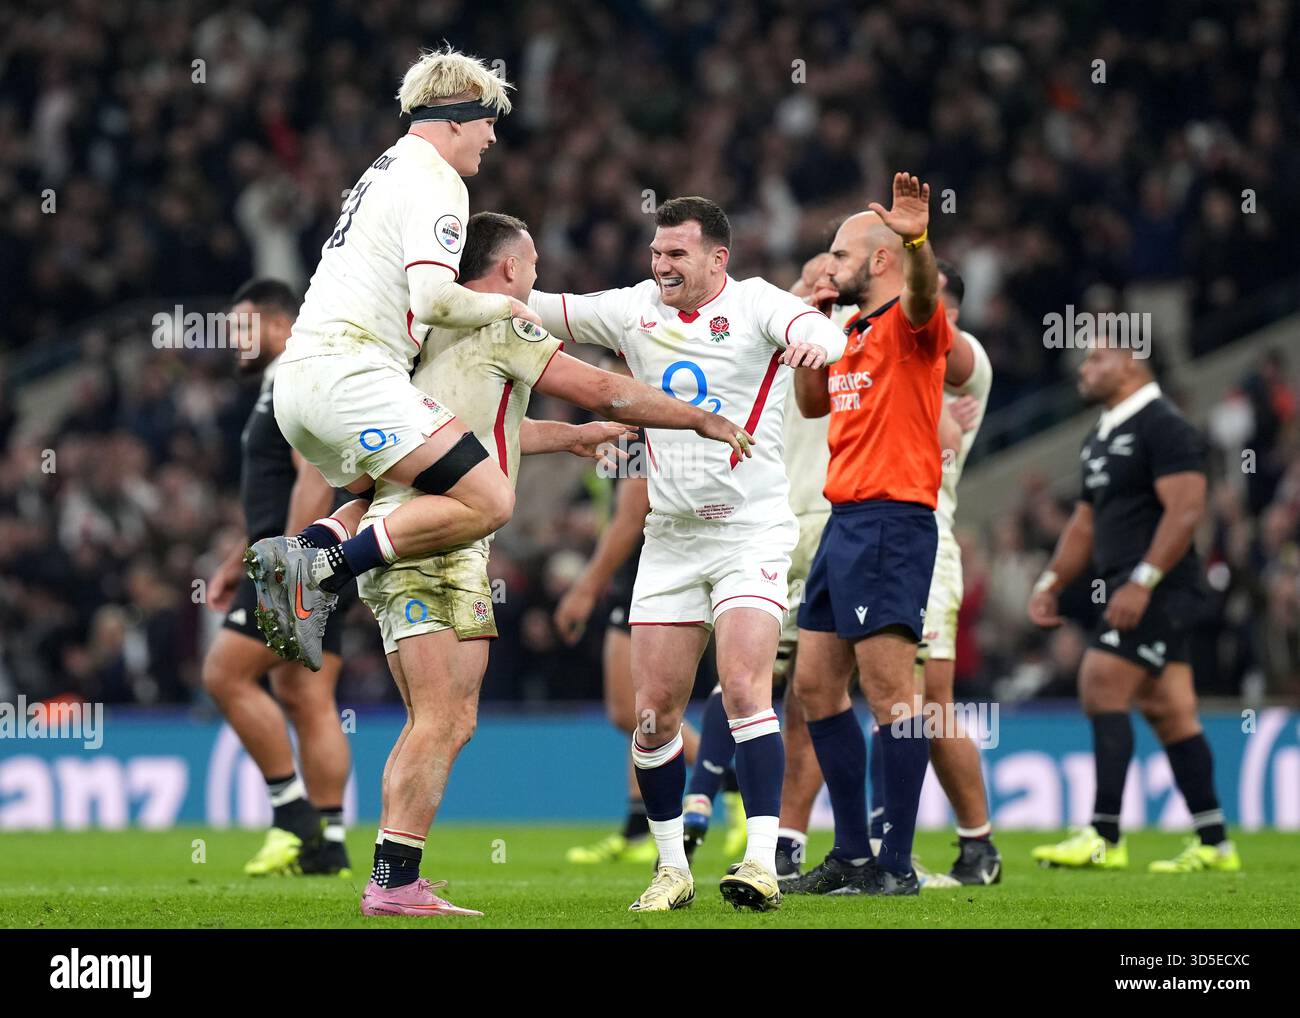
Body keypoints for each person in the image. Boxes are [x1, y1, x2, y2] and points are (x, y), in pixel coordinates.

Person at [355, 212, 752, 917]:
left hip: (444, 541)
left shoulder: (433, 331)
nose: (537, 274)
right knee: (442, 717)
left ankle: (398, 873)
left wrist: (570, 438)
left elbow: (477, 431)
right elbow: (607, 389)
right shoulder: (502, 321)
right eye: (532, 261)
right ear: (508, 269)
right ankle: (390, 884)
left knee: (444, 716)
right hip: (425, 539)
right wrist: (699, 417)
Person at [529, 196, 847, 912]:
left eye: (677, 253)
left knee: (742, 688)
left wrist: (814, 341)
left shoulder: (761, 304)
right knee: (652, 717)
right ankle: (672, 869)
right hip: (671, 540)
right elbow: (544, 307)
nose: (662, 265)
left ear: (716, 259)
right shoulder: (633, 309)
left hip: (750, 531)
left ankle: (762, 860)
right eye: (656, 252)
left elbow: (821, 338)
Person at [246, 47, 538, 670]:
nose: (491, 136)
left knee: (389, 489)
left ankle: (308, 550)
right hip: (351, 374)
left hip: (300, 386)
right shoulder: (438, 179)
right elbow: (434, 299)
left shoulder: (384, 168)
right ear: (457, 117)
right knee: (490, 500)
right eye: (488, 119)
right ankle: (320, 573)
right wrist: (506, 311)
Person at [787, 173, 951, 898]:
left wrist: (918, 238)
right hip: (843, 522)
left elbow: (923, 293)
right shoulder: (848, 333)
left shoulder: (913, 324)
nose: (829, 265)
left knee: (891, 694)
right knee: (815, 686)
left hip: (891, 519)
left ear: (881, 259)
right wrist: (804, 339)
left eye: (840, 255)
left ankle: (896, 864)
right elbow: (815, 404)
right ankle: (851, 853)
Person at [1028, 343, 1240, 874]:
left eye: (1096, 359)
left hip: (1160, 586)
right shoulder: (1099, 436)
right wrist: (1053, 578)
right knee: (1172, 711)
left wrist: (1144, 580)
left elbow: (1188, 507)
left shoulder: (1163, 423)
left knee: (1100, 679)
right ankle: (1215, 843)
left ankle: (1104, 835)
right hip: (1127, 584)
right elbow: (1084, 522)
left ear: (1132, 362)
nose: (1083, 368)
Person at [202, 279, 353, 878]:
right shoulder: (282, 384)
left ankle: (292, 817)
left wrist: (291, 568)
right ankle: (330, 845)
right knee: (306, 695)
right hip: (316, 557)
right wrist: (232, 560)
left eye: (243, 328)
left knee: (224, 673)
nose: (233, 342)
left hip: (294, 562)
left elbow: (315, 477)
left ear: (278, 326)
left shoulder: (294, 378)